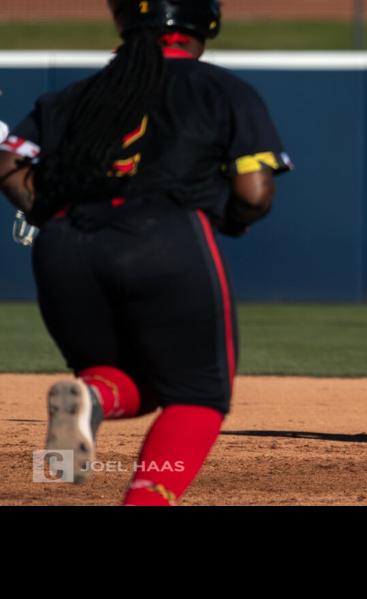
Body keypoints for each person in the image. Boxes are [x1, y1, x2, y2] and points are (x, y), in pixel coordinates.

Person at [0, 0, 290, 506]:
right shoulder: (222, 88)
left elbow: (9, 163)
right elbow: (254, 192)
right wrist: (231, 222)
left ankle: (91, 399)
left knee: (132, 379)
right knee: (197, 397)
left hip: (65, 244)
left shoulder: (74, 95)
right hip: (166, 235)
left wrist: (49, 215)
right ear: (205, 23)